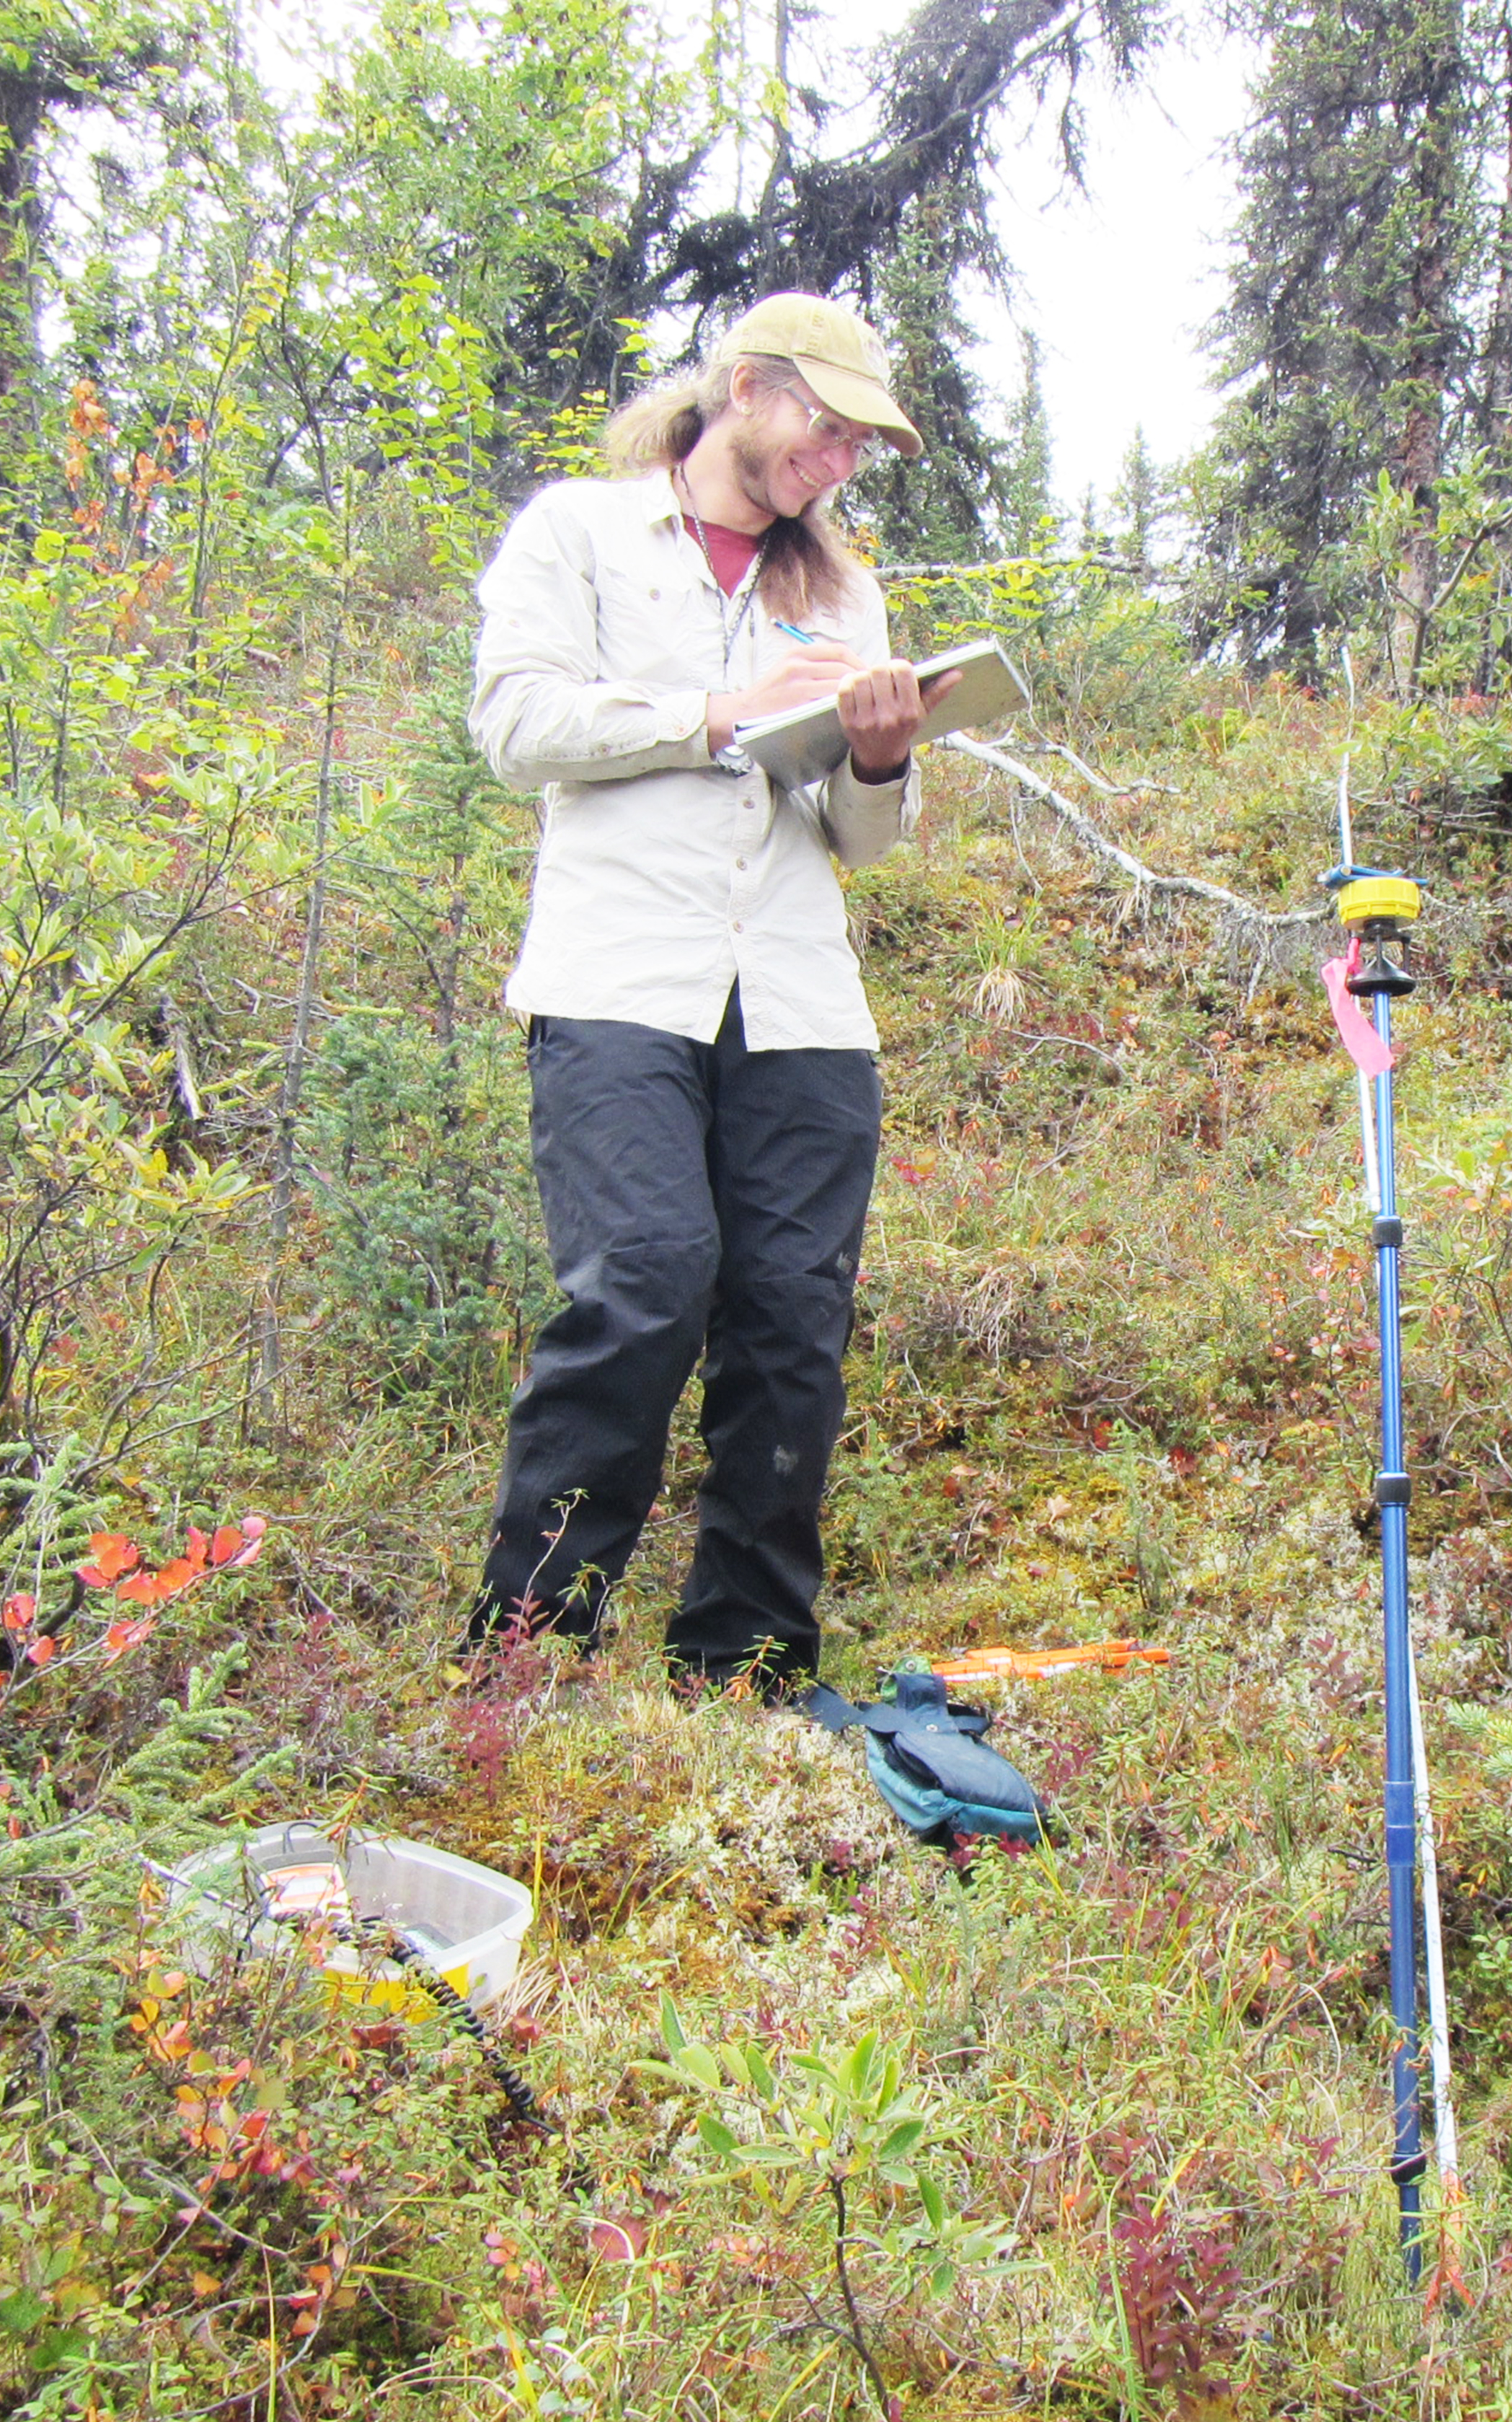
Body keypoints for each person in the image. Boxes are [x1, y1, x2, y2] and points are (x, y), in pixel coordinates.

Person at [462, 293, 952, 1694]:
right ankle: (524, 1667)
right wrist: (715, 713)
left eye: (865, 444)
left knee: (792, 1323)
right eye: (829, 425)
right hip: (622, 978)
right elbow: (516, 723)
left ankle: (742, 1662)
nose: (842, 462)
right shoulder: (583, 530)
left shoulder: (839, 587)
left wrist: (875, 756)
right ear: (745, 387)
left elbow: (861, 843)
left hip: (799, 1001)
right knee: (643, 1286)